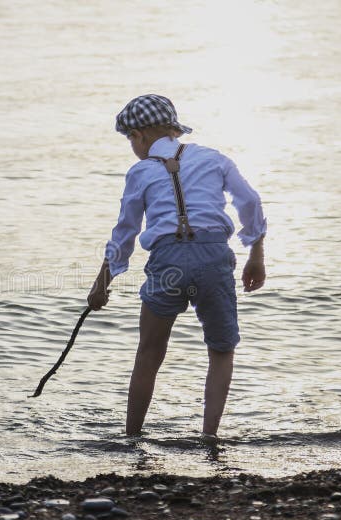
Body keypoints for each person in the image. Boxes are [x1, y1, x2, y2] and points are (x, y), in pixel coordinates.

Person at [87, 94, 267, 439]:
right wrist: (255, 253)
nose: (132, 147)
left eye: (130, 139)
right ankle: (209, 435)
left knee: (149, 352)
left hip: (167, 259)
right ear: (172, 129)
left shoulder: (140, 172)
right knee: (221, 348)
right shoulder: (214, 159)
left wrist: (102, 283)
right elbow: (250, 201)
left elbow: (125, 232)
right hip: (214, 256)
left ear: (139, 135)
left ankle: (132, 437)